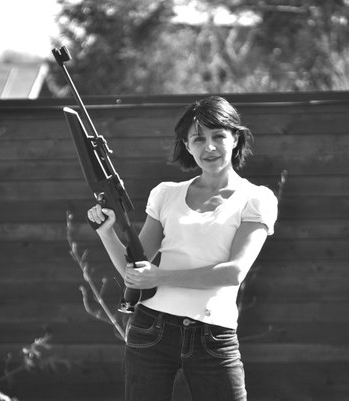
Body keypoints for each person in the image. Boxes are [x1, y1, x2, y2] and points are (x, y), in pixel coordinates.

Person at [87, 96, 278, 401]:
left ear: (235, 138)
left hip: (213, 335)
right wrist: (106, 232)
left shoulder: (256, 199)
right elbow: (134, 271)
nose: (209, 147)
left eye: (218, 136)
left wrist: (160, 277)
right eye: (198, 139)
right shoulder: (166, 194)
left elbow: (233, 272)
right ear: (187, 145)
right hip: (151, 328)